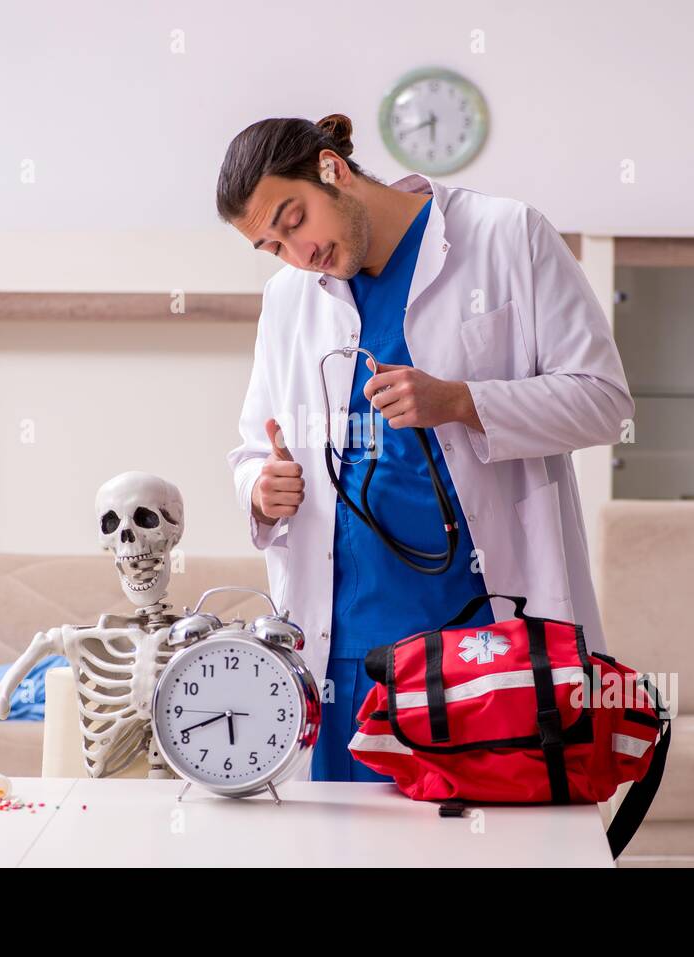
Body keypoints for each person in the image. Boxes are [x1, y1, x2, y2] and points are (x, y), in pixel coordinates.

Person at [218, 113, 633, 782]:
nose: (297, 254)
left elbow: (604, 400)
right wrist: (262, 490)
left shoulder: (507, 237)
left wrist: (464, 402)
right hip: (340, 655)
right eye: (272, 246)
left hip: (481, 655)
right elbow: (250, 453)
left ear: (333, 169)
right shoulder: (289, 298)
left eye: (293, 220)